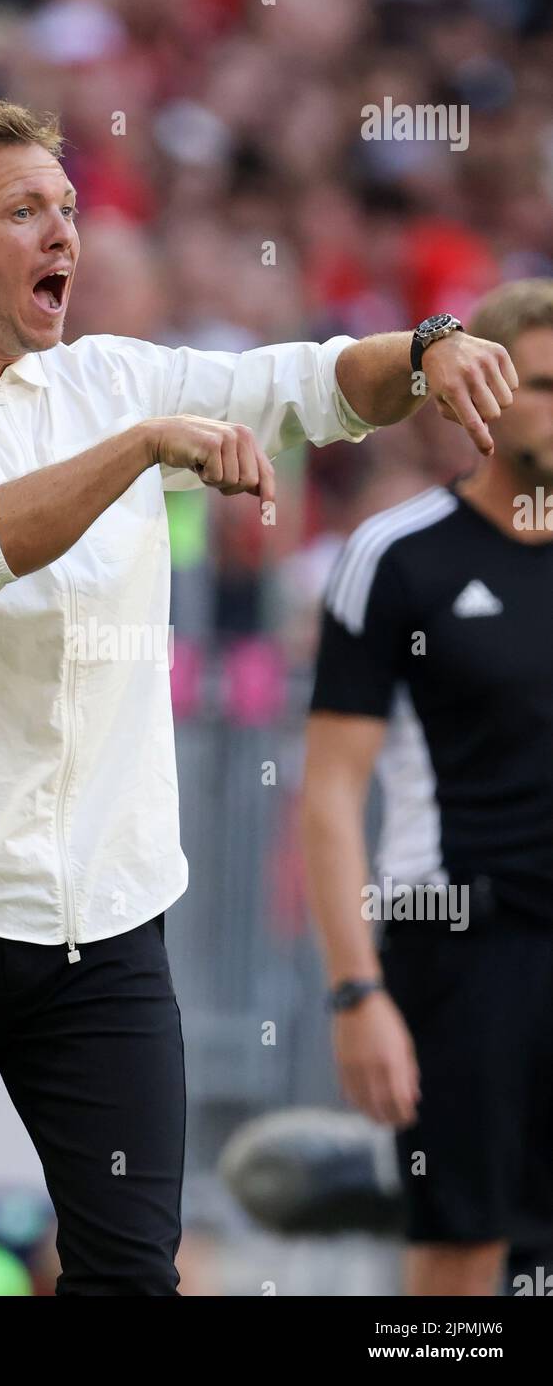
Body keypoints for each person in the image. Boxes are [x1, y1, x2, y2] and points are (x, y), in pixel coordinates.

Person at [0, 99, 516, 1297]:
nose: (61, 231)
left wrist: (429, 341)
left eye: (66, 208)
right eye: (23, 212)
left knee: (132, 1276)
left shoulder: (114, 376)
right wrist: (140, 447)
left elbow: (319, 382)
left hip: (102, 921)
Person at [302, 278, 553, 1297]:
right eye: (539, 383)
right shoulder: (396, 557)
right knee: (460, 1252)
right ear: (478, 395)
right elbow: (325, 794)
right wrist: (355, 992)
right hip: (462, 954)